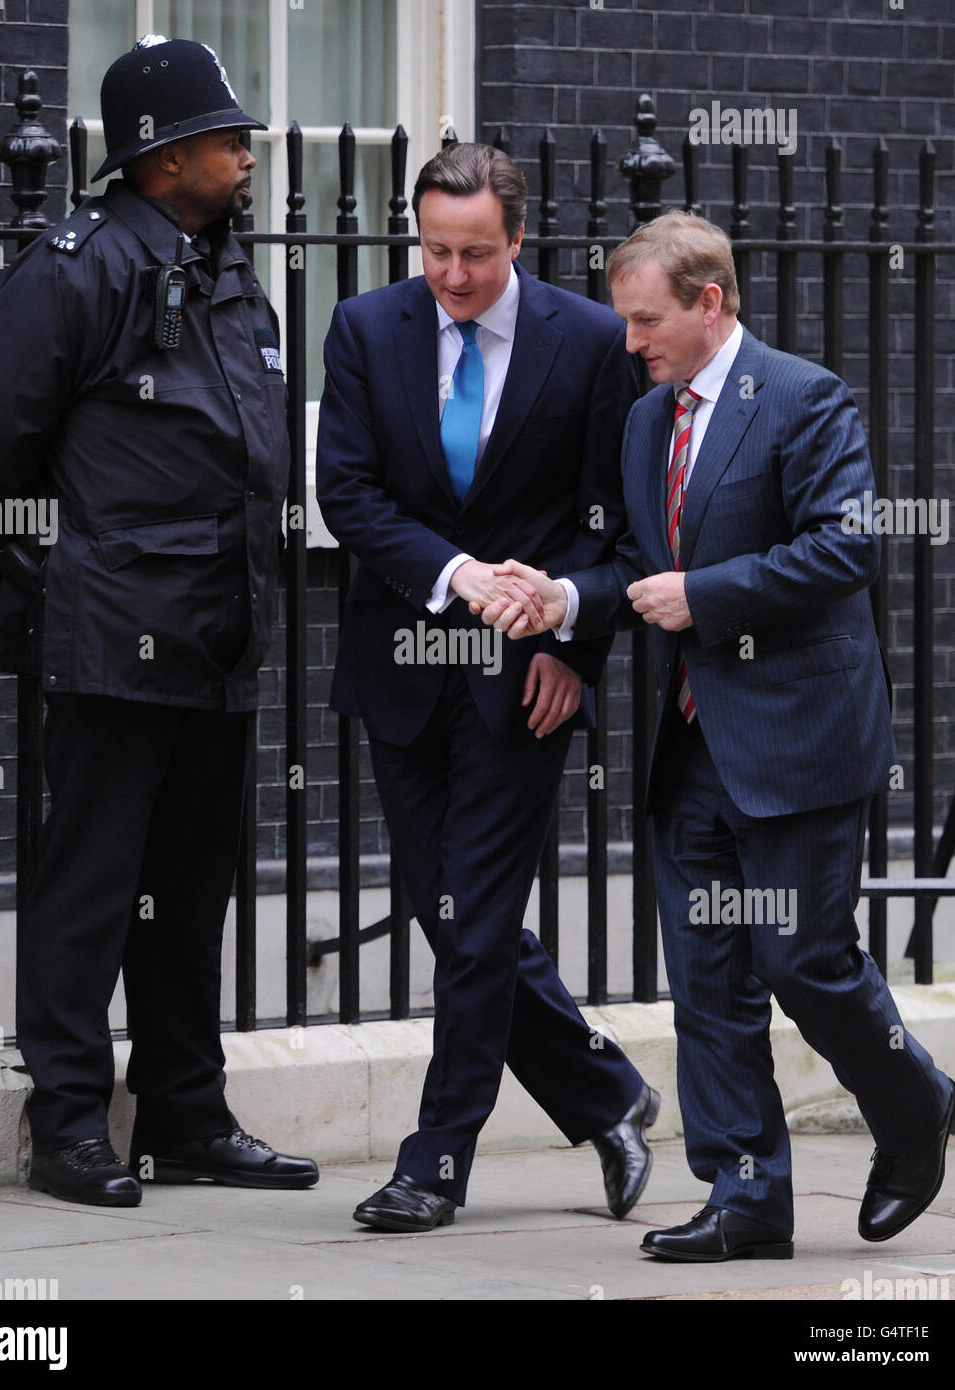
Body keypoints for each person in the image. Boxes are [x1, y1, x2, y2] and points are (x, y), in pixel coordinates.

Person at [479, 210, 955, 1260]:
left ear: (711, 303)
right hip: (694, 745)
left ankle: (913, 1100)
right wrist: (561, 596)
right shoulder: (647, 422)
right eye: (622, 319)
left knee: (801, 959)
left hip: (798, 738)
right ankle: (745, 1194)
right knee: (703, 973)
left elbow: (843, 550)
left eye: (646, 319)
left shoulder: (802, 398)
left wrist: (706, 594)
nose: (628, 340)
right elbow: (638, 574)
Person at [0, 37, 318, 1207]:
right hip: (112, 631)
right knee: (92, 885)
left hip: (219, 631)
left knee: (194, 885)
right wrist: (53, 581)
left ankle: (186, 1113)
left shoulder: (228, 269)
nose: (246, 154)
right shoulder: (79, 267)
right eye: (225, 138)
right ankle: (67, 1126)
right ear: (162, 159)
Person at [316, 142, 659, 1234]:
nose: (451, 275)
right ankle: (606, 1092)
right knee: (448, 907)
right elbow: (348, 494)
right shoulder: (368, 327)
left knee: (473, 917)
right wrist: (456, 574)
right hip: (405, 659)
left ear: (517, 239)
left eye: (473, 253)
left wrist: (572, 642)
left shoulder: (594, 341)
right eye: (433, 249)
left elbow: (615, 520)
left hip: (528, 679)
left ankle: (436, 1161)